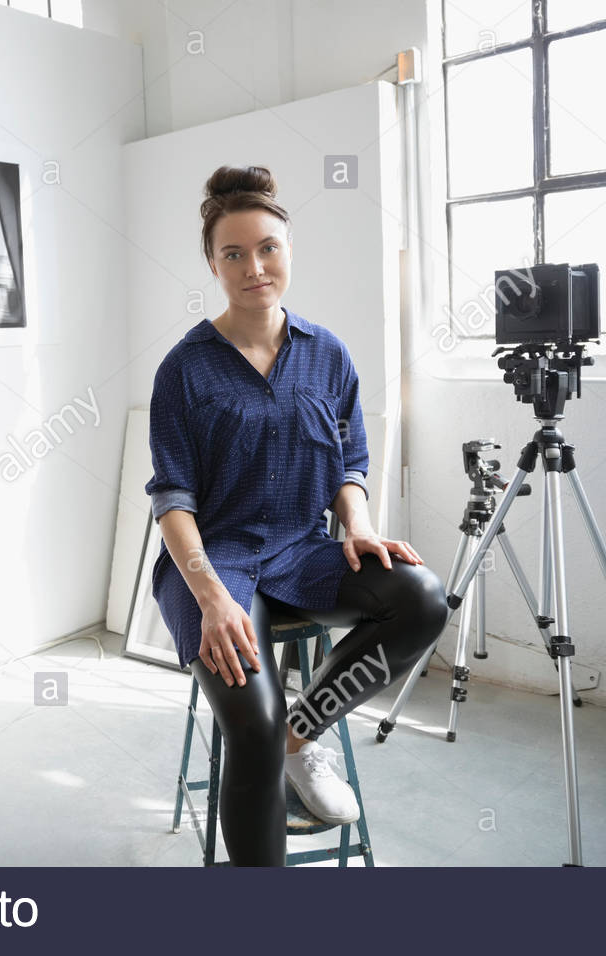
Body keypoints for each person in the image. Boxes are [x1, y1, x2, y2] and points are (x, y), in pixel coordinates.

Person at [144, 164, 449, 866]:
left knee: (422, 598)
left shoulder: (329, 354)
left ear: (288, 248)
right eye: (233, 253)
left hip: (302, 549)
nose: (255, 267)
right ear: (213, 264)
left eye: (268, 248)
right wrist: (212, 598)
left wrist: (360, 527)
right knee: (250, 725)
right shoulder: (184, 370)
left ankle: (301, 739)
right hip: (212, 560)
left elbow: (349, 464)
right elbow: (174, 500)